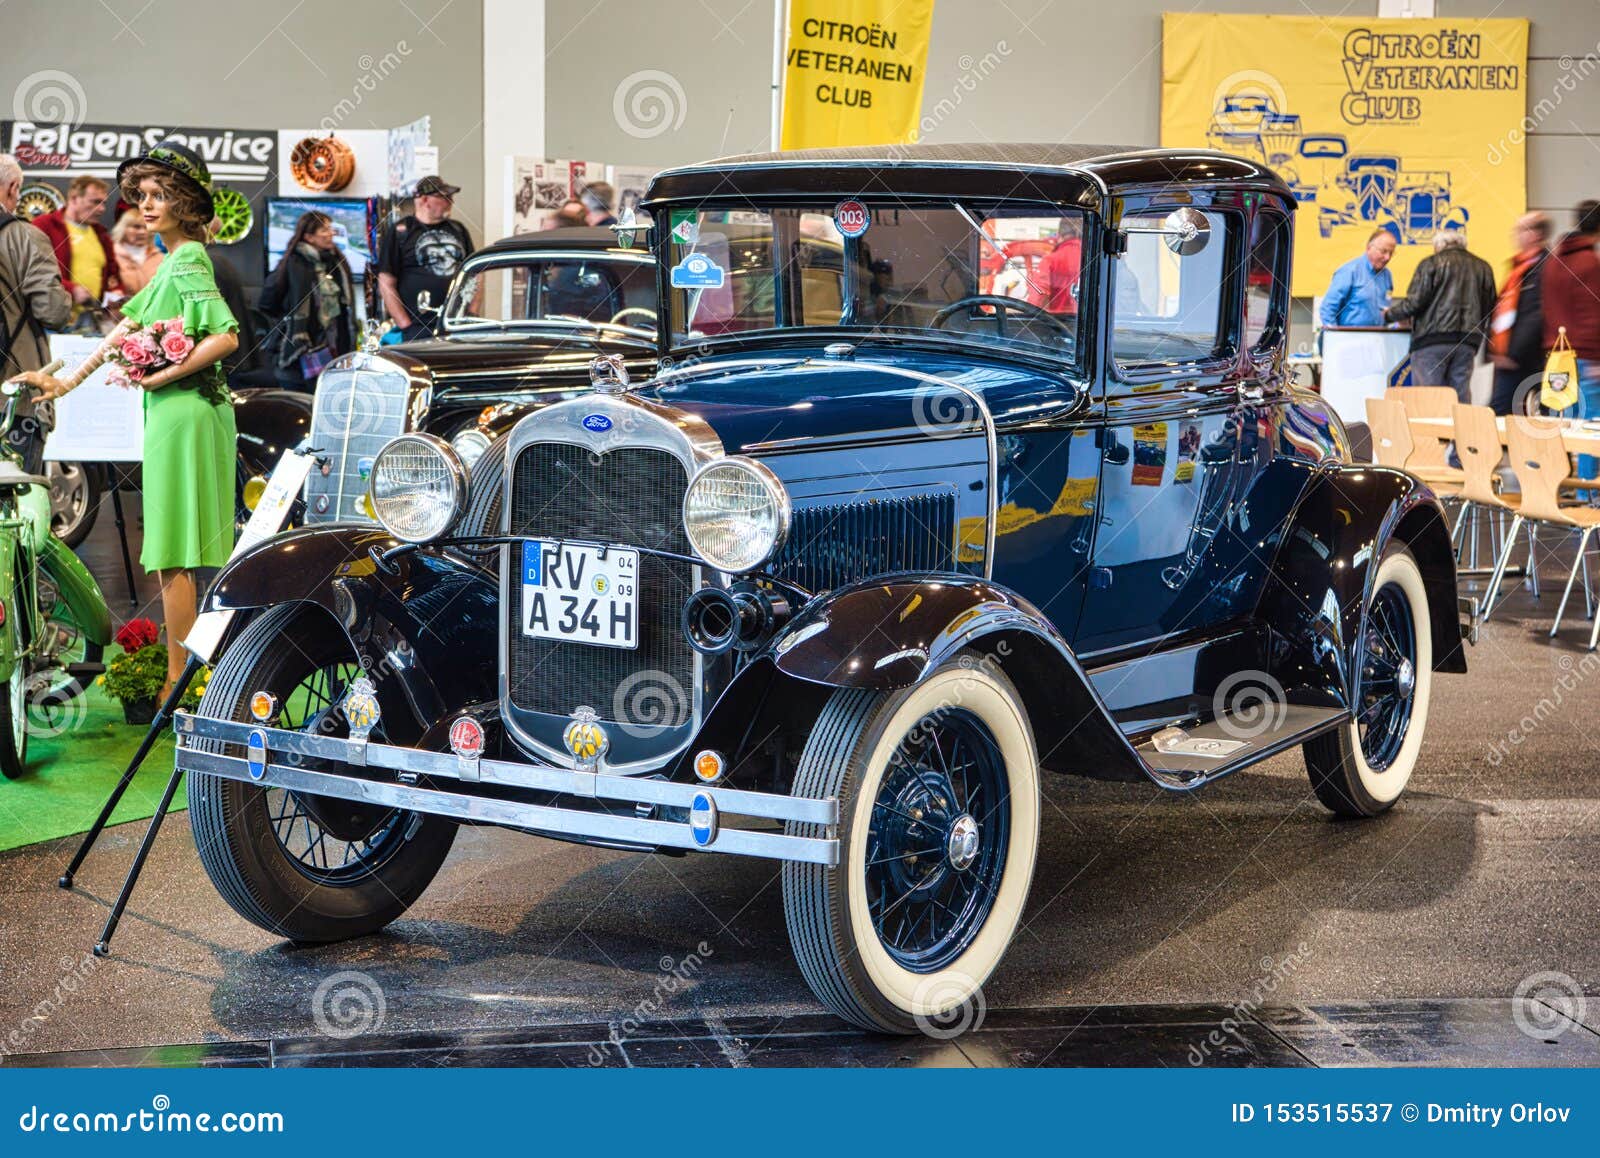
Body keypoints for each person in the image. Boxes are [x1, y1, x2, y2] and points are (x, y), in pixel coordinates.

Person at [8, 140, 238, 701]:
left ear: (185, 203)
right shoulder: (172, 263)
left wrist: (163, 374)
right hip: (171, 412)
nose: (149, 205)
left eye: (161, 195)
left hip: (185, 412)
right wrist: (64, 380)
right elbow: (120, 337)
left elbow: (225, 335)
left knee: (173, 549)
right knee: (170, 549)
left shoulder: (188, 259)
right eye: (145, 195)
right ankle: (181, 675)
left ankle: (177, 685)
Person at [0, 152, 72, 472]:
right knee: (14, 503)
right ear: (14, 188)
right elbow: (53, 311)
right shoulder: (25, 236)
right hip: (15, 398)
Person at [1383, 229, 1498, 401]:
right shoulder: (1483, 267)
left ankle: (1430, 429)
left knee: (1429, 399)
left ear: (1439, 245)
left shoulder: (1431, 264)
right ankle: (1461, 428)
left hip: (1432, 340)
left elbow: (1415, 302)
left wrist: (1388, 315)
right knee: (1460, 397)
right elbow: (1490, 306)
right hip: (1467, 342)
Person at [261, 210, 355, 389]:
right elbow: (268, 302)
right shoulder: (294, 263)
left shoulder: (336, 263)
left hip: (332, 350)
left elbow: (344, 309)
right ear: (309, 237)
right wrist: (291, 323)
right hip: (296, 354)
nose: (330, 234)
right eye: (324, 230)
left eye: (330, 228)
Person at [376, 175, 474, 340]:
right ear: (424, 200)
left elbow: (475, 274)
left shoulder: (458, 229)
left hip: (456, 325)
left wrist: (471, 311)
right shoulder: (401, 231)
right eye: (444, 197)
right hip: (417, 329)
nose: (451, 201)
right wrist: (405, 325)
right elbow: (386, 282)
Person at [1488, 212, 1553, 415]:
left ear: (1536, 234)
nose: (1516, 235)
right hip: (1508, 355)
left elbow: (1536, 314)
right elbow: (1500, 312)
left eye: (1521, 230)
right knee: (1507, 414)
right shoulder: (1518, 266)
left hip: (1527, 357)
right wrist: (1493, 349)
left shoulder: (1546, 267)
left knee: (1499, 413)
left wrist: (1512, 353)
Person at [1542, 200, 1600, 422]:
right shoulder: (1590, 263)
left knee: (1564, 422)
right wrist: (1596, 360)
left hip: (1557, 356)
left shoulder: (1553, 261)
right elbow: (1592, 314)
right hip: (1586, 359)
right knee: (1591, 428)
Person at [31, 175, 121, 316]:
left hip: (91, 322)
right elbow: (32, 270)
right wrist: (71, 289)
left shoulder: (101, 234)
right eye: (95, 202)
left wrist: (116, 292)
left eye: (103, 203)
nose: (102, 209)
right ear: (74, 199)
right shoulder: (44, 225)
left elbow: (113, 273)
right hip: (52, 319)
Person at [1320, 228, 1396, 328]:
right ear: (1369, 248)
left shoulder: (1387, 276)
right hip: (1349, 340)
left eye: (1391, 253)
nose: (1387, 257)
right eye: (1383, 251)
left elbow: (1386, 307)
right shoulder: (1349, 271)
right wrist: (1336, 338)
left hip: (1378, 339)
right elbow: (1327, 309)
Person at [110, 208, 162, 295]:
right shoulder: (111, 255)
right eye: (136, 227)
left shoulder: (161, 258)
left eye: (146, 227)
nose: (142, 232)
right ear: (123, 228)